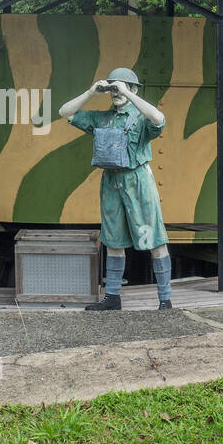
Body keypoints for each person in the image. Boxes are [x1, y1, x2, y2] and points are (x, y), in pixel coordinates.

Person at [59, 67, 172, 311]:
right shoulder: (102, 118)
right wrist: (91, 91)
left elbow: (159, 119)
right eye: (113, 87)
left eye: (122, 86)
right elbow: (65, 112)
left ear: (132, 89)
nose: (116, 91)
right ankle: (112, 297)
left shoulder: (141, 117)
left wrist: (129, 94)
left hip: (139, 182)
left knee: (154, 239)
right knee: (113, 239)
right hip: (111, 182)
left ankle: (165, 299)